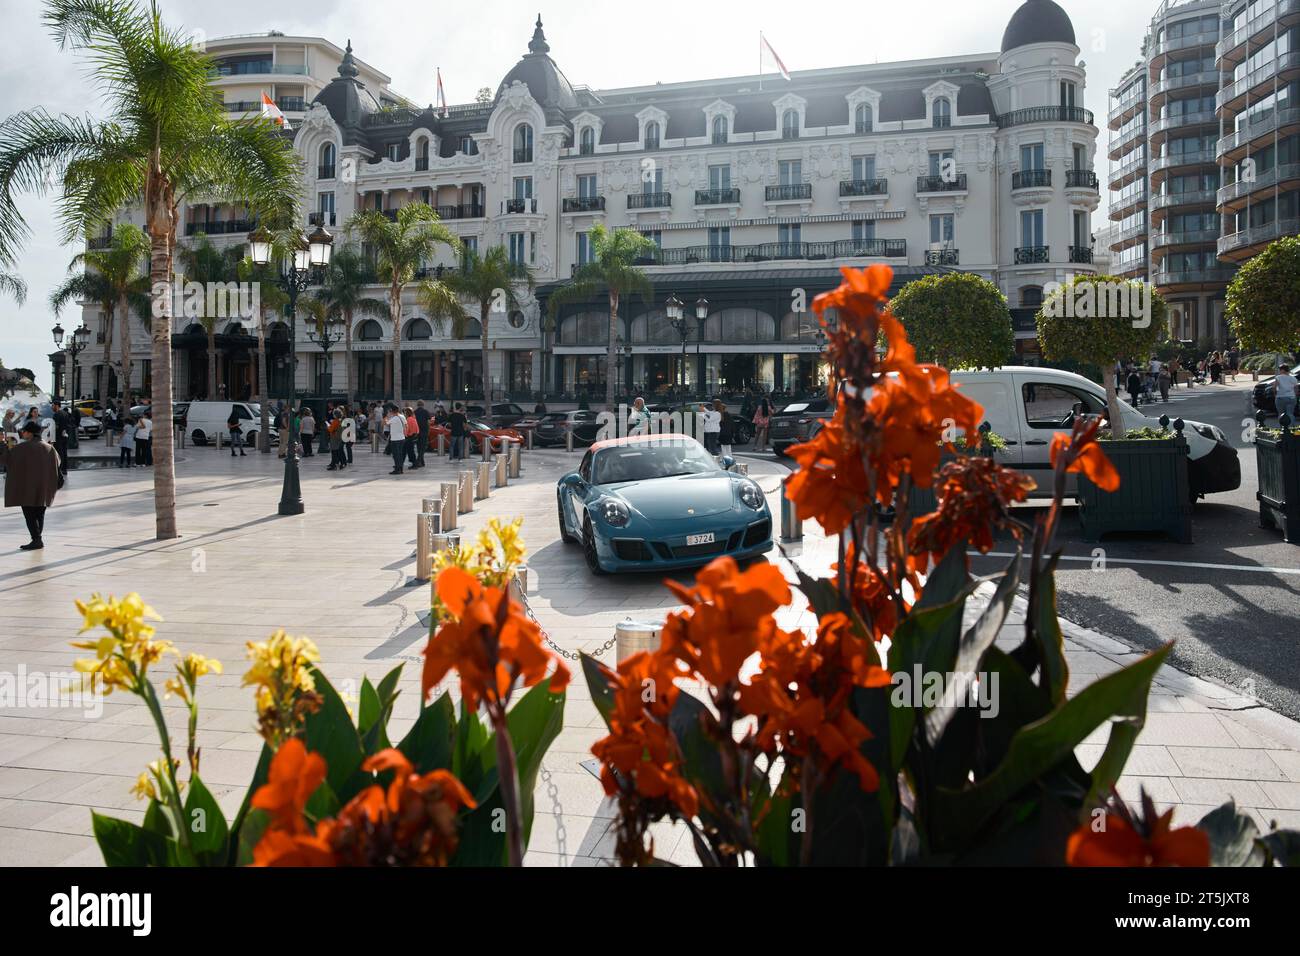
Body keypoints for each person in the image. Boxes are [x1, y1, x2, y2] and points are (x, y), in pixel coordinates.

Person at [5, 421, 62, 551]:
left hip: (27, 488)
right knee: (39, 514)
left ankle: (36, 540)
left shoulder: (22, 448)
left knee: (29, 514)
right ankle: (37, 539)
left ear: (29, 433)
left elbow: (6, 460)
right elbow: (57, 462)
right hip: (44, 487)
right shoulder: (49, 447)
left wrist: (3, 445)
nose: (22, 433)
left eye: (24, 431)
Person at [49, 400, 71, 479]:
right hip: (64, 436)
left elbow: (56, 427)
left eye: (52, 405)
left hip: (58, 437)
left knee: (59, 453)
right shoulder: (65, 413)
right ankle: (64, 469)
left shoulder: (56, 414)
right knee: (64, 452)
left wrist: (51, 436)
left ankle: (59, 469)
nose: (52, 407)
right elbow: (69, 424)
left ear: (56, 406)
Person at [386, 404, 406, 474]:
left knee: (395, 455)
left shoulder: (393, 418)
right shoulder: (402, 416)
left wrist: (387, 416)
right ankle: (401, 468)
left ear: (392, 411)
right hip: (402, 438)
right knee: (400, 454)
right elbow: (406, 425)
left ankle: (397, 469)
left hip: (395, 439)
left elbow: (386, 423)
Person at [414, 400, 431, 466]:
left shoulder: (414, 412)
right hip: (424, 431)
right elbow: (428, 422)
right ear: (423, 405)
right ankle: (418, 460)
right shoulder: (426, 412)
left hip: (417, 431)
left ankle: (422, 461)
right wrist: (428, 430)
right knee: (423, 447)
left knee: (419, 446)